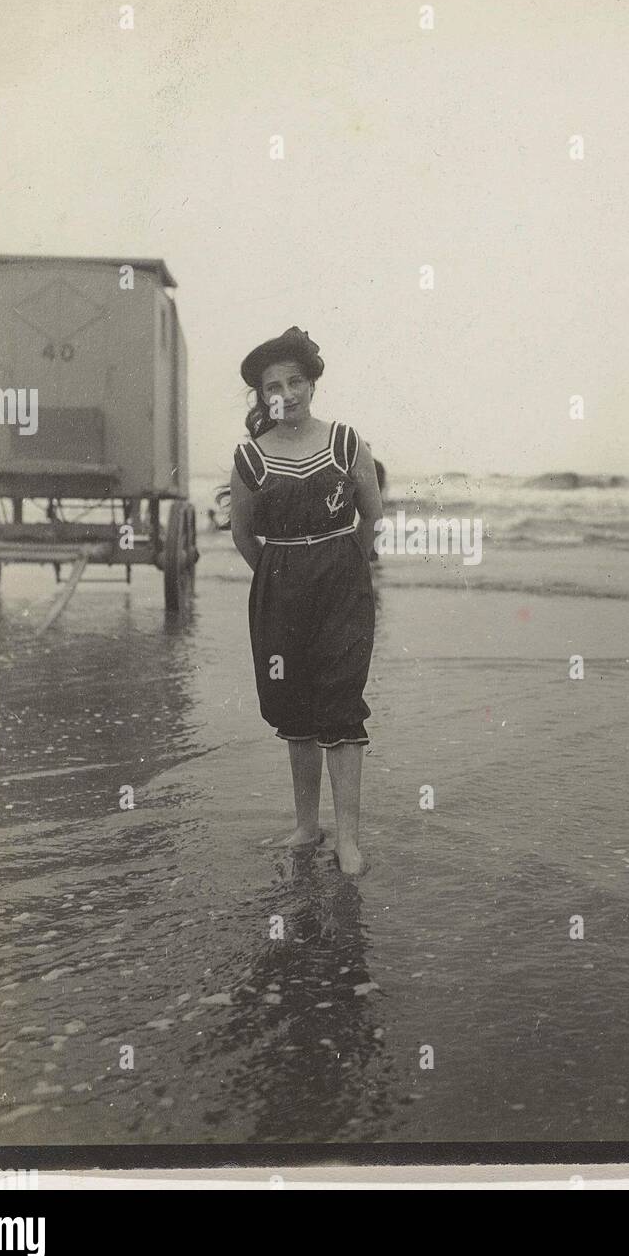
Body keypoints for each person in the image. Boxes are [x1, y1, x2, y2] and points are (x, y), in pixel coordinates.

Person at [226, 327, 384, 876]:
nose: (287, 393)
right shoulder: (250, 459)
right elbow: (244, 537)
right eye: (274, 385)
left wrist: (344, 567)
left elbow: (373, 516)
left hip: (343, 584)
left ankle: (349, 840)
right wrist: (281, 576)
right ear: (262, 396)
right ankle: (305, 826)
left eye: (296, 380)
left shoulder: (345, 443)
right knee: (292, 705)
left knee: (340, 703)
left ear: (312, 383)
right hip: (279, 591)